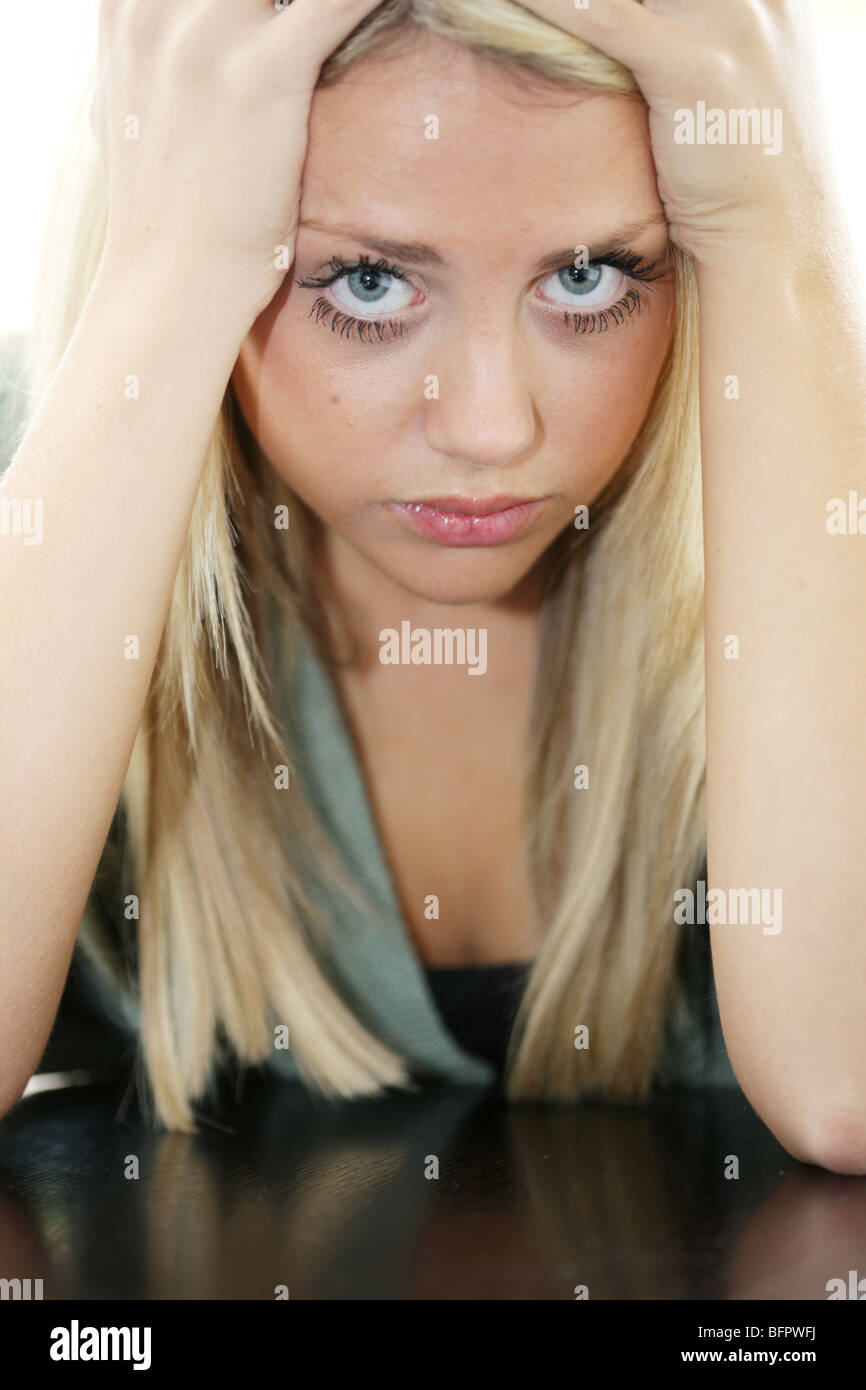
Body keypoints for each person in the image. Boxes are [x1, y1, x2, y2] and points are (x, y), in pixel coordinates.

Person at [1, 0, 864, 1173]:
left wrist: (778, 226)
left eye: (584, 275)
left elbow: (844, 1087)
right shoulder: (42, 482)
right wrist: (164, 276)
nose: (489, 427)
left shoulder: (816, 471)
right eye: (363, 283)